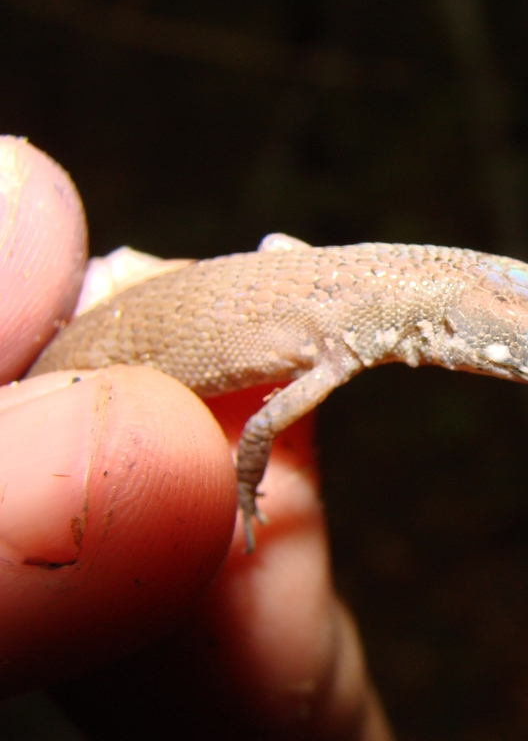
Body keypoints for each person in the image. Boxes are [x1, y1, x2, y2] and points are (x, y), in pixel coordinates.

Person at [0, 136, 392, 739]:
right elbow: (260, 426)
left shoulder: (337, 281)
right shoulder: (337, 348)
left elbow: (277, 250)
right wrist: (244, 490)